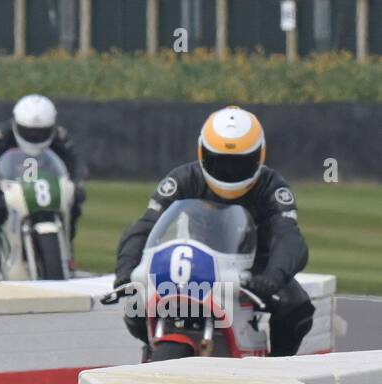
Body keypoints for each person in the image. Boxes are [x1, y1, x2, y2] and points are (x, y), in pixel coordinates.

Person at [113, 105, 314, 357]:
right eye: (220, 162)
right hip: (197, 262)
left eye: (239, 164)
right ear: (202, 152)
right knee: (134, 299)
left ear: (259, 156)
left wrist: (273, 276)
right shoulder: (183, 178)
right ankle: (152, 342)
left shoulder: (272, 187)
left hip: (254, 269)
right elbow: (145, 225)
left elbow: (289, 236)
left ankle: (280, 369)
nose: (229, 171)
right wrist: (125, 271)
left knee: (296, 308)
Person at [0, 94, 86, 267]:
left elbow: (75, 163)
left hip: (49, 182)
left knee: (75, 203)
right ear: (17, 124)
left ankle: (67, 247)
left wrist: (77, 184)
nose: (34, 137)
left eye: (41, 132)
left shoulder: (59, 136)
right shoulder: (0, 135)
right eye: (29, 132)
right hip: (11, 183)